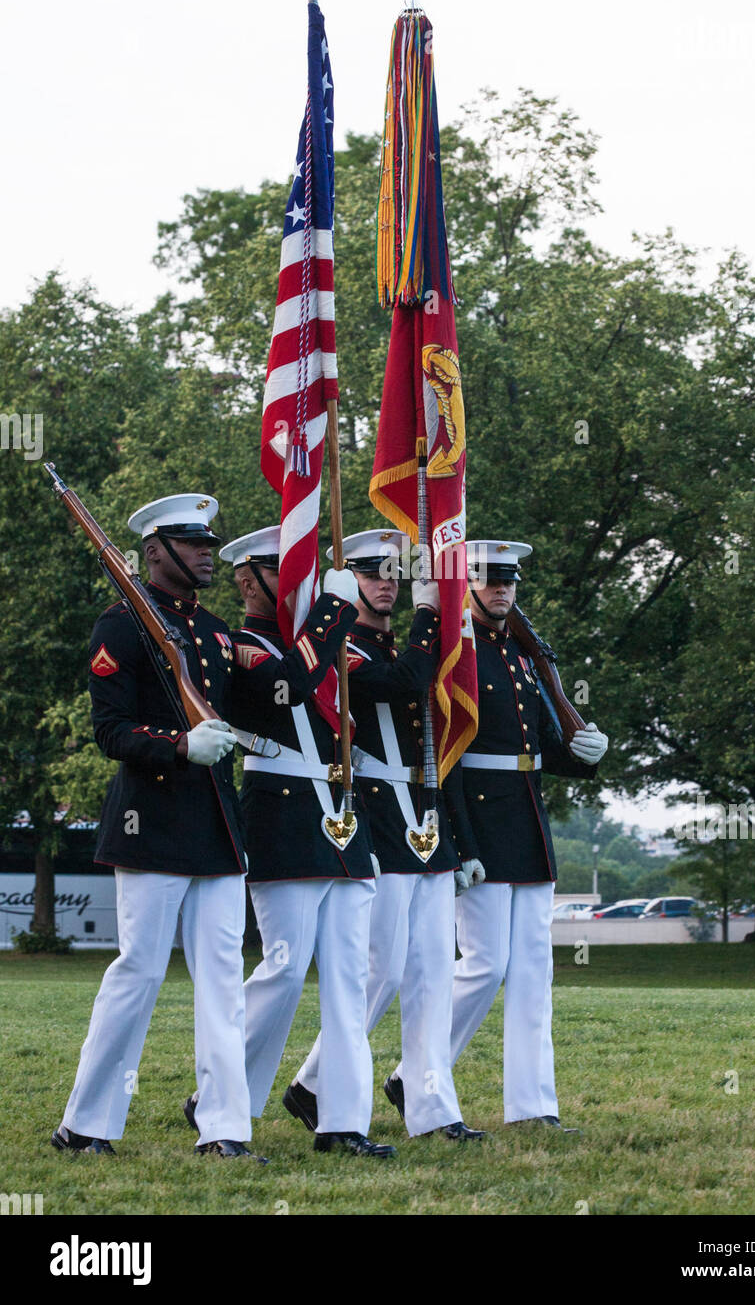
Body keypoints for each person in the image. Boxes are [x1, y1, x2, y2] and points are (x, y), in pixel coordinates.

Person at [52, 493, 262, 1159]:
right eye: (192, 542)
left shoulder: (217, 629)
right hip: (152, 822)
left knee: (223, 981)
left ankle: (225, 1128)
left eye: (207, 542)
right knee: (139, 971)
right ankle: (86, 1124)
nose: (207, 552)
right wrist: (178, 745)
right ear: (153, 551)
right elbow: (110, 731)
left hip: (217, 827)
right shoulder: (120, 626)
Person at [182, 526, 395, 1159]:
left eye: (303, 568)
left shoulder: (324, 643)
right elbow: (289, 687)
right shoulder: (240, 644)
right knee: (284, 965)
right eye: (286, 569)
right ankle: (218, 1093)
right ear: (250, 580)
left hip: (343, 817)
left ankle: (342, 1121)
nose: (299, 580)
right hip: (283, 808)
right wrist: (335, 609)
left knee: (350, 977)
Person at [286, 529, 483, 1142]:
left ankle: (433, 1108)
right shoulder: (345, 649)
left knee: (434, 972)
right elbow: (400, 683)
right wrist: (432, 612)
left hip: (424, 815)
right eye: (373, 574)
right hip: (376, 814)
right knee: (385, 969)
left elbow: (435, 742)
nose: (388, 583)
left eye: (395, 574)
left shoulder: (402, 645)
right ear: (349, 582)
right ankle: (312, 1083)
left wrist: (462, 839)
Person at [421, 539, 608, 1129]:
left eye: (510, 581)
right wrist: (461, 844)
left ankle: (532, 1107)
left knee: (533, 968)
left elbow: (542, 747)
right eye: (489, 579)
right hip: (479, 817)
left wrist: (585, 754)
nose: (502, 589)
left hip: (526, 818)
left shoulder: (525, 656)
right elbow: (443, 758)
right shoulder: (455, 652)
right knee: (484, 964)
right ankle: (420, 1072)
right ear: (468, 585)